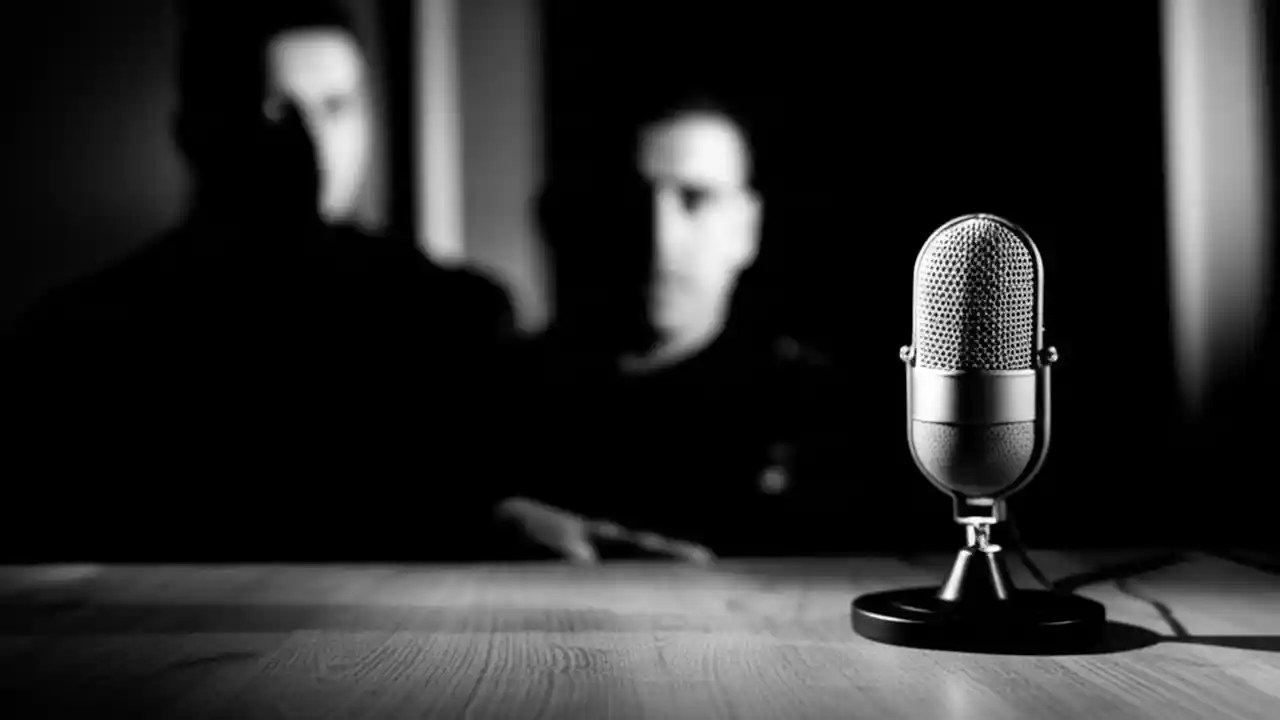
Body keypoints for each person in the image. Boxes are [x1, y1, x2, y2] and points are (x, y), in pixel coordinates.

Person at [6, 1, 516, 563]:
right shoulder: (82, 339)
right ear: (196, 132)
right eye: (276, 109)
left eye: (338, 107)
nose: (313, 140)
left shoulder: (455, 314)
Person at [497, 92, 936, 562]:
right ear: (559, 219)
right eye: (623, 199)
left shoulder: (838, 416)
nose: (661, 239)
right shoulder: (473, 401)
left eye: (696, 199)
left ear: (746, 227)